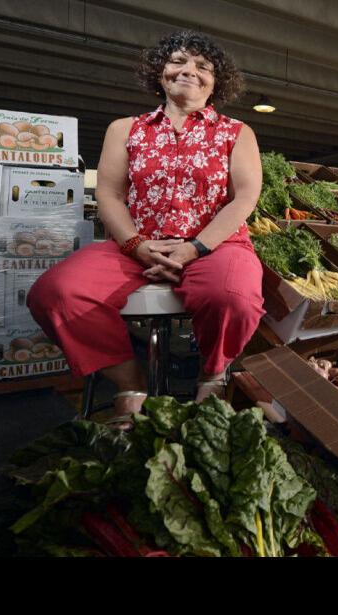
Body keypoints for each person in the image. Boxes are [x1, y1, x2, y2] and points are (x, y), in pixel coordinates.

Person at [27, 31, 264, 421]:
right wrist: (136, 245)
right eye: (178, 62)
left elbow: (244, 198)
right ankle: (129, 381)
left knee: (235, 297)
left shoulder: (237, 133)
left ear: (216, 82)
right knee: (56, 293)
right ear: (159, 72)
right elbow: (109, 195)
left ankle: (213, 374)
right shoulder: (125, 129)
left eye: (202, 67)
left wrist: (195, 248)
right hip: (138, 243)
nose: (189, 70)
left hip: (214, 245)